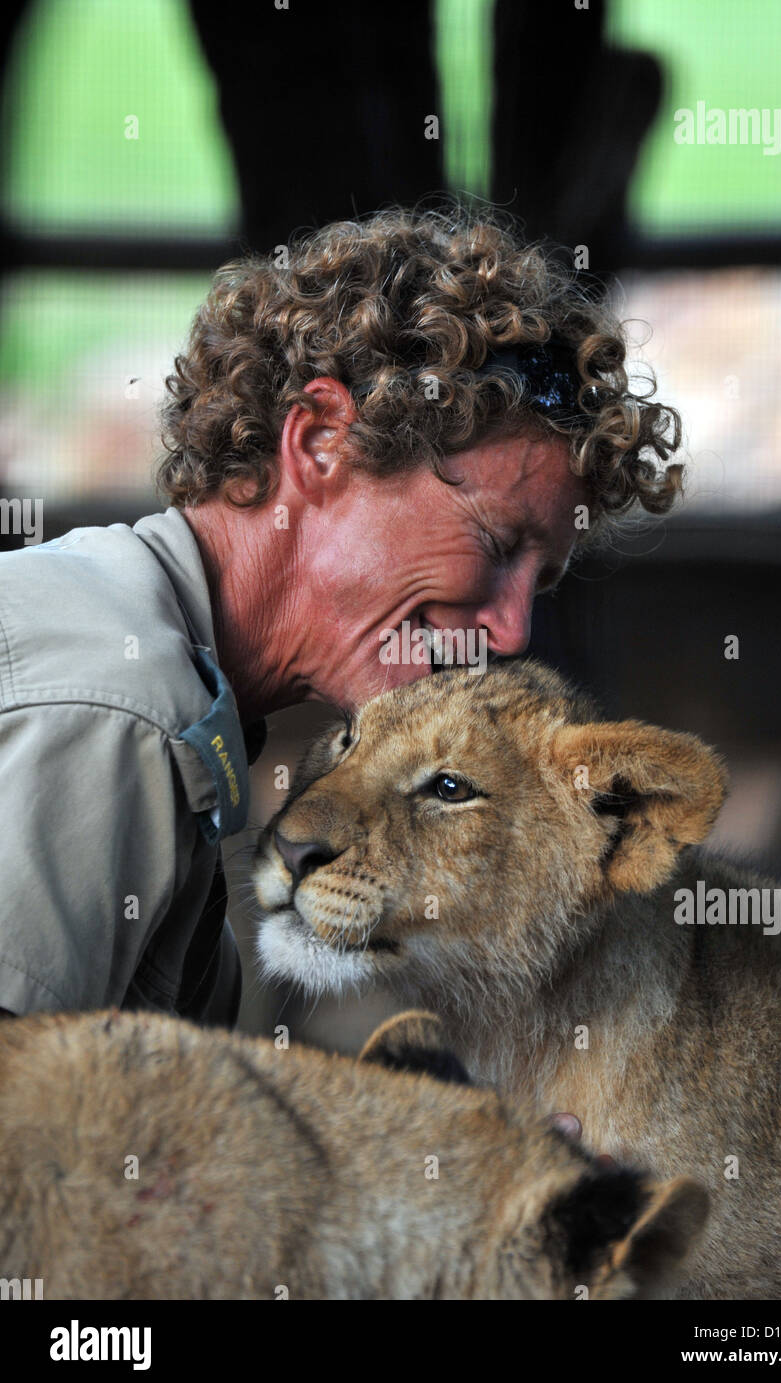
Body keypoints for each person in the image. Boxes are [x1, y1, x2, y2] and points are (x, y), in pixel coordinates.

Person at [0, 206, 681, 1023]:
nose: (510, 632)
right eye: (499, 545)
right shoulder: (121, 706)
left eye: (539, 585)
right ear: (322, 443)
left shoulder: (152, 662)